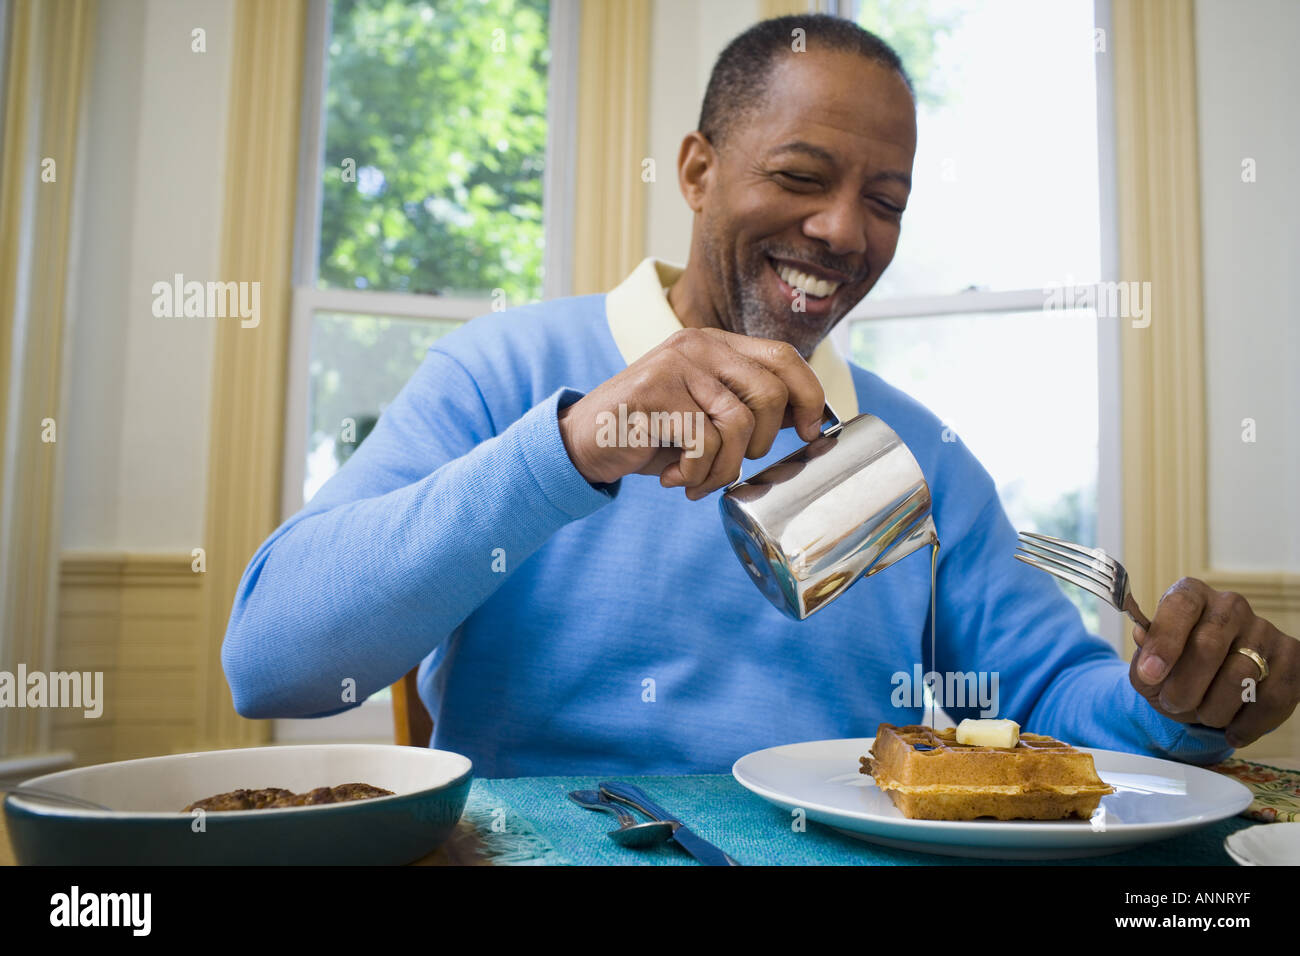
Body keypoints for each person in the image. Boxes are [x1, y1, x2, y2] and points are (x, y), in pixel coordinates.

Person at [222, 15, 1297, 777]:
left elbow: (1054, 711)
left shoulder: (921, 457)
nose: (842, 230)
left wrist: (1176, 702)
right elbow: (273, 665)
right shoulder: (499, 373)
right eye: (798, 176)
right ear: (696, 171)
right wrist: (573, 447)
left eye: (884, 200)